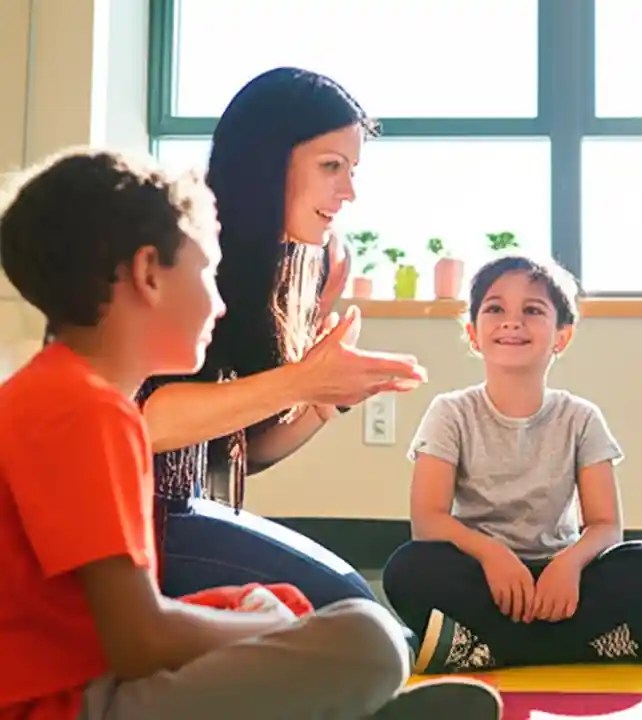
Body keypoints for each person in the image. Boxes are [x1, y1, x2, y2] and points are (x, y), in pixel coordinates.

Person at [0, 148, 499, 720]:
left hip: (89, 682)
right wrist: (263, 630)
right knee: (369, 639)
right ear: (147, 275)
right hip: (72, 705)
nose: (218, 303)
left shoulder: (57, 394)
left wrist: (258, 615)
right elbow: (138, 640)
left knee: (282, 604)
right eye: (208, 272)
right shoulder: (86, 410)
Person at [137, 67, 427, 607]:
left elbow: (248, 451)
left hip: (188, 514)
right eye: (331, 167)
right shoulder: (178, 251)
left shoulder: (303, 266)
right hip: (125, 525)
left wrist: (322, 400)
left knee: (357, 612)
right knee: (349, 609)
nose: (349, 191)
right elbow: (143, 424)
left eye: (352, 169)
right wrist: (301, 381)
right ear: (268, 164)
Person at [382, 255, 642, 672]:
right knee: (408, 569)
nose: (512, 321)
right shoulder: (450, 412)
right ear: (473, 333)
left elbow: (606, 525)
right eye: (495, 308)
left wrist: (569, 564)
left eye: (533, 310)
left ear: (562, 336)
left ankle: (488, 648)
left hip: (560, 579)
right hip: (482, 575)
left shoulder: (581, 417)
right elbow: (428, 520)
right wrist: (492, 555)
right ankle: (594, 644)